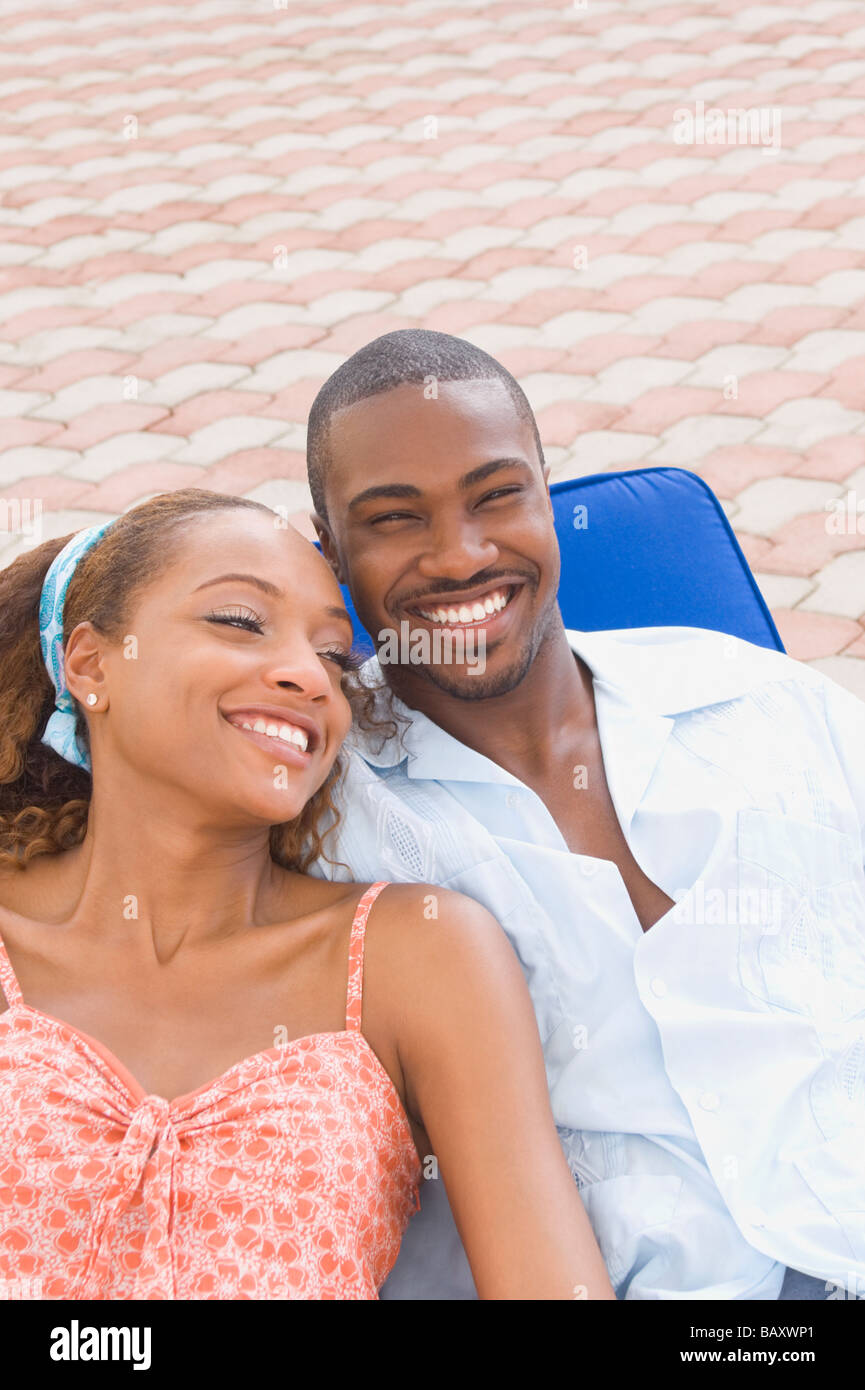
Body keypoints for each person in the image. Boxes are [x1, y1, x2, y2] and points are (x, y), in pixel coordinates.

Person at [305, 328, 865, 1302]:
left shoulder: (755, 699)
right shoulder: (324, 828)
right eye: (395, 519)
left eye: (496, 495)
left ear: (544, 493)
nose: (461, 554)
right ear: (332, 557)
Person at [0, 486, 614, 1301]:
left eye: (332, 656)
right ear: (91, 664)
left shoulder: (418, 955)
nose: (307, 677)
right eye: (240, 622)